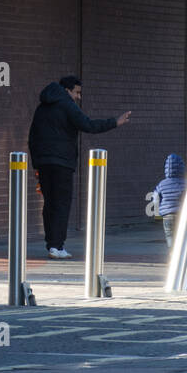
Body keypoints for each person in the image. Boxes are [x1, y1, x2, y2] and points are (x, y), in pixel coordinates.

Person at [28, 76, 131, 259]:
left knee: (50, 203)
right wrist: (115, 122)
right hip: (62, 162)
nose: (78, 97)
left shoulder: (42, 107)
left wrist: (37, 162)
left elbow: (32, 136)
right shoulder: (67, 105)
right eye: (77, 92)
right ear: (67, 90)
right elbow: (88, 125)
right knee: (61, 204)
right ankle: (56, 246)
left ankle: (51, 243)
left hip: (44, 162)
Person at [152, 153, 186, 251]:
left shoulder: (162, 183)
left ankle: (172, 254)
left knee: (170, 236)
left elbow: (155, 197)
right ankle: (181, 254)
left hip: (167, 215)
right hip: (182, 214)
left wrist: (157, 210)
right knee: (182, 236)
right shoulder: (186, 183)